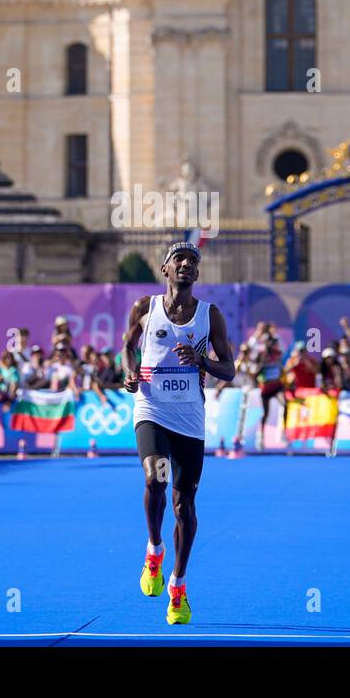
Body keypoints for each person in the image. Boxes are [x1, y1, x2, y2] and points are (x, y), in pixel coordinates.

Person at [121, 241, 235, 626]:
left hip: (189, 417)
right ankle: (154, 550)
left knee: (184, 506)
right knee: (156, 478)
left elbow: (230, 369)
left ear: (197, 274)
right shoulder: (145, 308)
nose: (186, 264)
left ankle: (178, 585)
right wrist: (129, 372)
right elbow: (127, 346)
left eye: (193, 261)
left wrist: (202, 360)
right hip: (151, 409)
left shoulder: (210, 315)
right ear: (165, 268)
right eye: (179, 259)